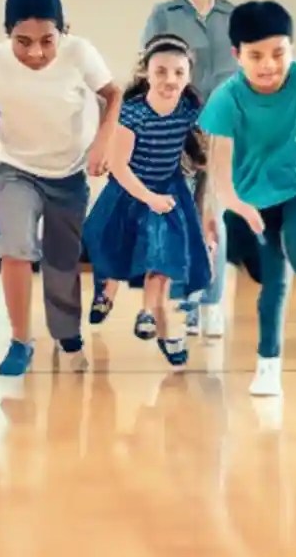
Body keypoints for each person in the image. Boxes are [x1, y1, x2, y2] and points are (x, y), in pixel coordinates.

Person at [0, 0, 122, 376]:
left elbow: (113, 94)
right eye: (22, 42)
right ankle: (20, 340)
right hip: (14, 168)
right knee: (16, 248)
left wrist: (103, 141)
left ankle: (67, 334)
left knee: (61, 261)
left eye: (46, 41)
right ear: (8, 34)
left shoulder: (79, 53)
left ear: (63, 32)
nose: (35, 52)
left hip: (68, 174)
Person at [91, 0, 237, 337]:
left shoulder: (234, 16)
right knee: (179, 214)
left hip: (223, 128)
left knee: (214, 213)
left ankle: (210, 302)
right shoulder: (163, 14)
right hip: (177, 127)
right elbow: (147, 69)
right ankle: (186, 300)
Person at [198, 0, 296, 397]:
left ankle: (278, 250)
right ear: (237, 55)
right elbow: (219, 173)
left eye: (278, 54)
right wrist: (239, 208)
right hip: (252, 199)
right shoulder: (226, 99)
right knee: (273, 282)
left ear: (292, 49)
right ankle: (267, 367)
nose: (269, 65)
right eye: (256, 56)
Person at [83, 34, 215, 368]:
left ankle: (151, 316)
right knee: (116, 249)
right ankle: (106, 293)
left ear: (188, 75)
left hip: (167, 190)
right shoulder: (133, 114)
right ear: (146, 73)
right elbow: (119, 166)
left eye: (179, 73)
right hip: (130, 191)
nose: (170, 80)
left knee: (163, 255)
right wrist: (149, 198)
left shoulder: (188, 110)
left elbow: (212, 144)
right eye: (161, 72)